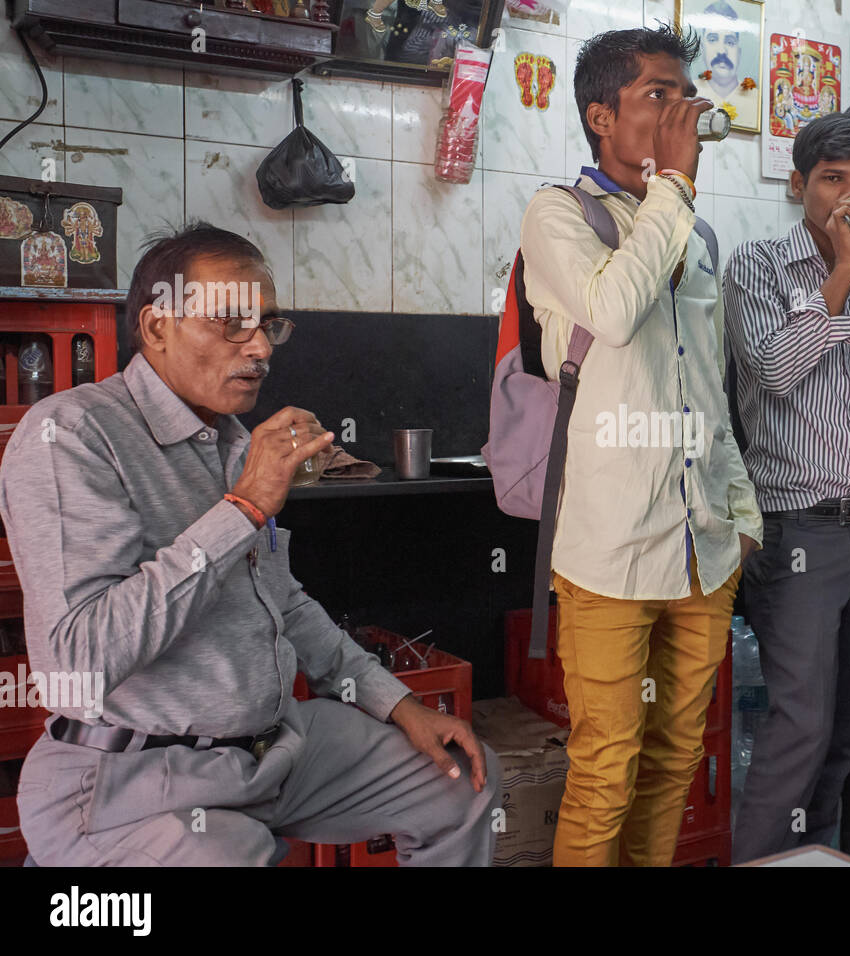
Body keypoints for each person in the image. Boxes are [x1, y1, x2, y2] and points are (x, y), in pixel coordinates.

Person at [0, 223, 500, 866]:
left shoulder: (237, 442)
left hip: (268, 751)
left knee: (461, 781)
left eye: (269, 324)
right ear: (157, 328)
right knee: (229, 853)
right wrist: (242, 508)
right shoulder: (71, 434)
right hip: (129, 775)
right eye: (232, 323)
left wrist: (397, 703)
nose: (260, 346)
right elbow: (78, 663)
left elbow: (283, 605)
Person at [519, 24, 761, 866]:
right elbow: (614, 313)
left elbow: (709, 391)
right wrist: (677, 188)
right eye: (659, 94)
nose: (682, 109)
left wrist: (741, 512)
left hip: (705, 550)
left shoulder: (691, 232)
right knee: (606, 769)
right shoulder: (557, 213)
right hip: (611, 552)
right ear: (600, 114)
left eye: (683, 93)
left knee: (673, 762)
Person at [724, 112, 850, 862]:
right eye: (833, 180)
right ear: (799, 183)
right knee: (799, 728)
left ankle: (814, 857)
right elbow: (772, 372)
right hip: (797, 531)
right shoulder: (757, 264)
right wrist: (838, 268)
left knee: (841, 732)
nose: (848, 198)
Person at [693, 1, 760, 130]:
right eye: (713, 40)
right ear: (702, 49)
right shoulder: (689, 95)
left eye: (730, 42)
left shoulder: (756, 100)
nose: (722, 51)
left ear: (739, 52)